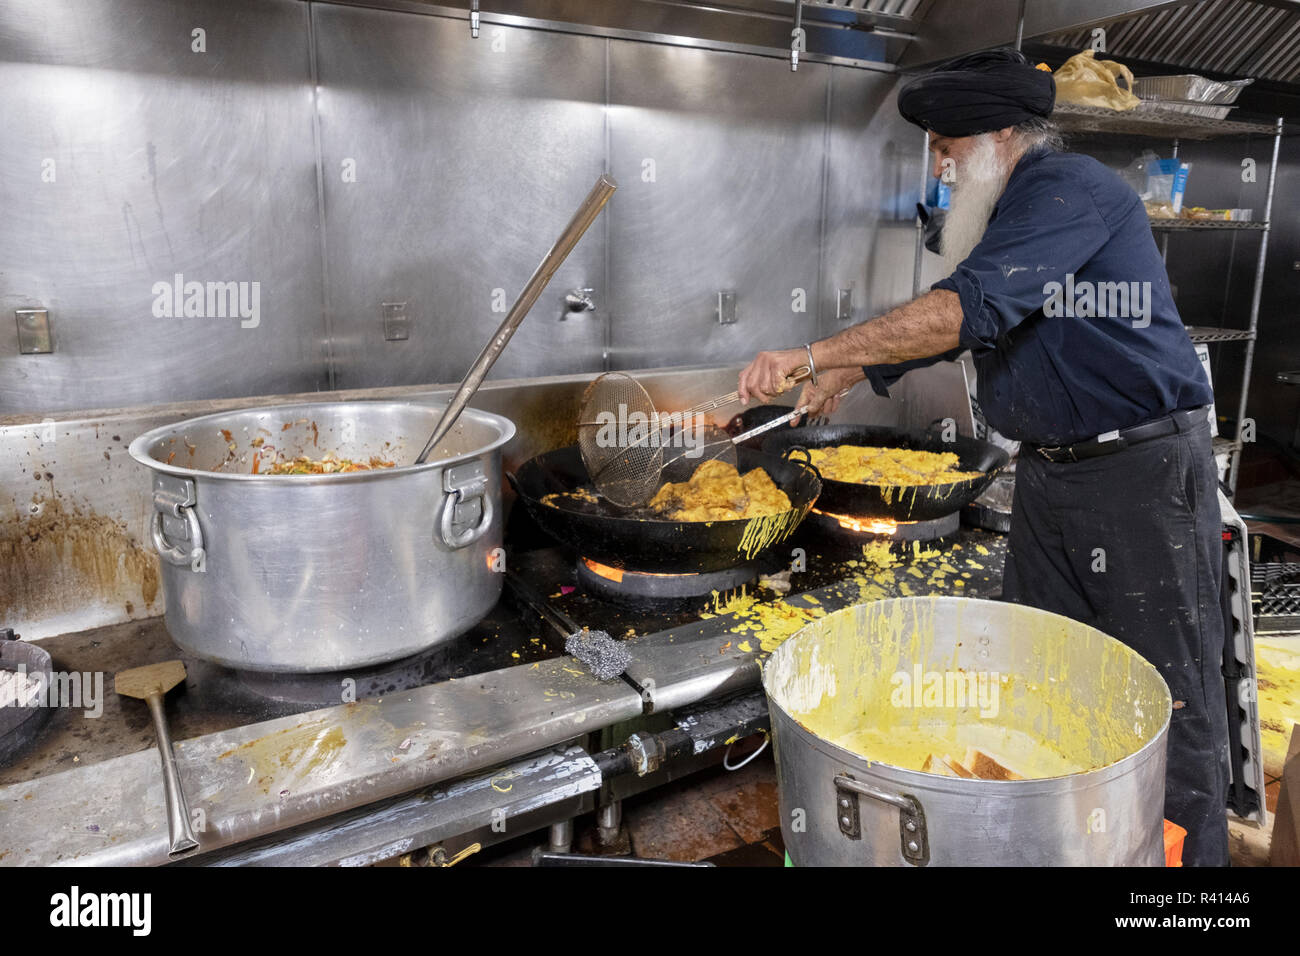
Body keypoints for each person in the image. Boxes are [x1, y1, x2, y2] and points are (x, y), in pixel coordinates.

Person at [737, 49, 1230, 866]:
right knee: (1040, 676)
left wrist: (819, 354)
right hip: (1054, 476)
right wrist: (853, 369)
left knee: (1167, 699)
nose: (940, 161)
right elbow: (986, 319)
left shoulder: (1072, 191)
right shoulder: (1014, 204)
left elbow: (969, 309)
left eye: (947, 143)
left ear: (1005, 132)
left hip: (1138, 480)